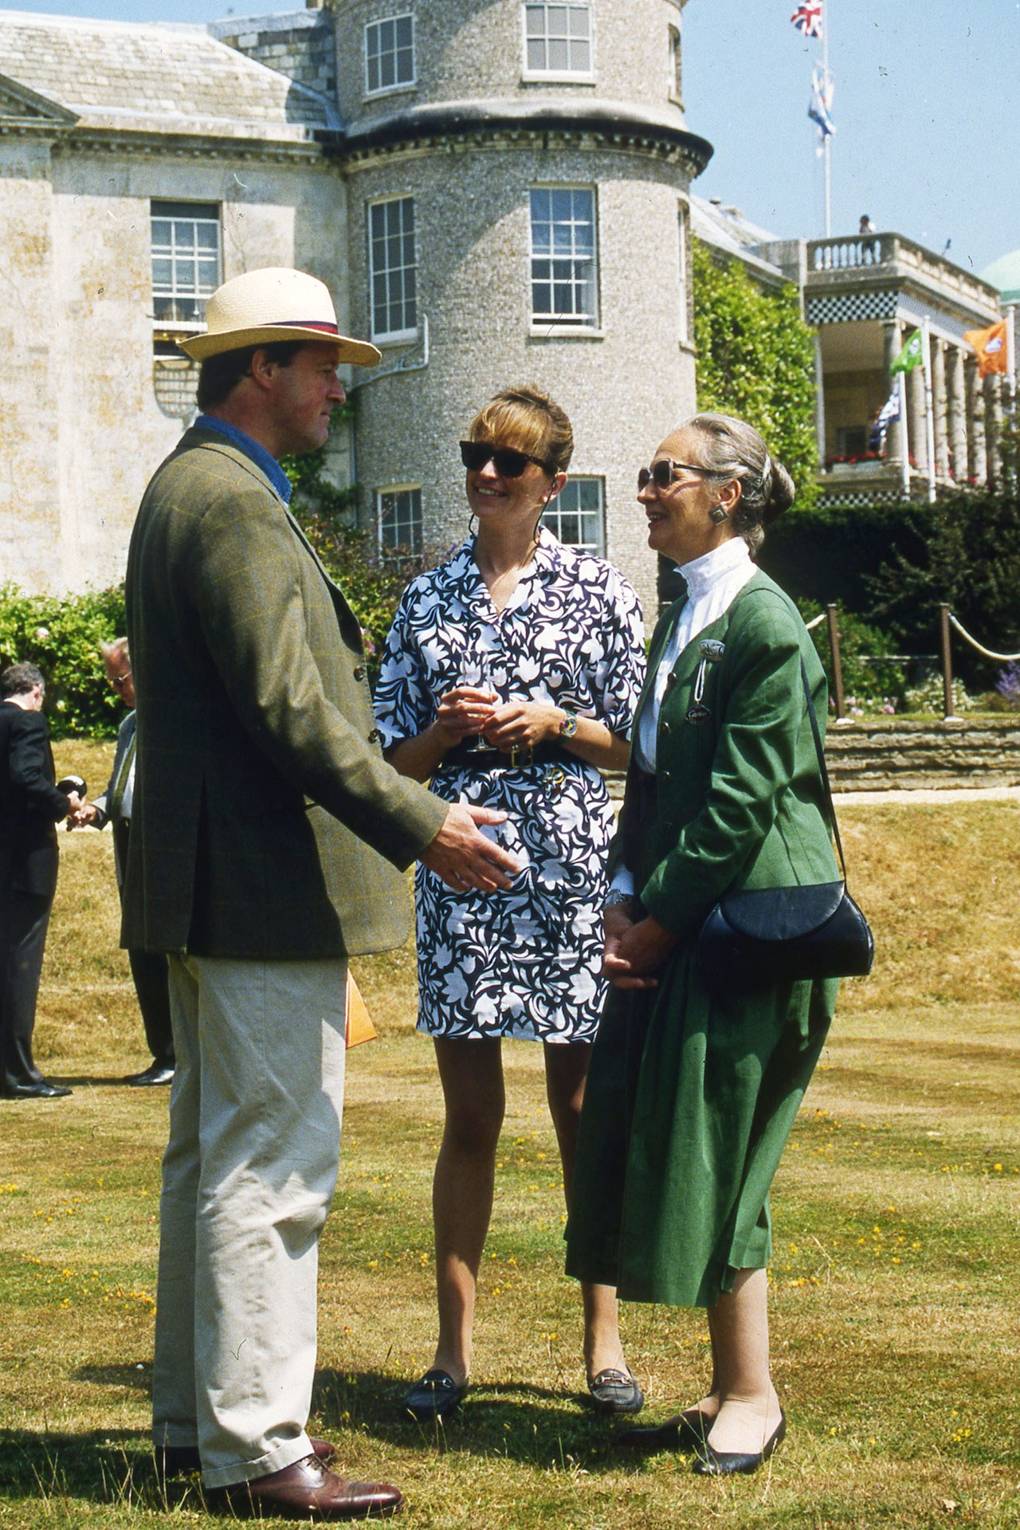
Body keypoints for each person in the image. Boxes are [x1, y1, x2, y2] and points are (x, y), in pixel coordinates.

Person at [125, 266, 519, 1522]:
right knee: (270, 1169)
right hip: (257, 888)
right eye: (323, 365)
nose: (338, 389)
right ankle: (257, 1447)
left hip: (210, 885)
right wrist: (425, 821)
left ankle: (199, 1429)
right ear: (262, 370)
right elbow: (292, 707)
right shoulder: (232, 502)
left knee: (212, 1161)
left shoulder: (194, 485)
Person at [565, 412, 839, 1477]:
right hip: (685, 925)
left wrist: (655, 922)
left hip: (749, 936)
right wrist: (626, 895)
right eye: (642, 474)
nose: (643, 490)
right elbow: (651, 781)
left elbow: (738, 804)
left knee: (732, 1149)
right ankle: (731, 1383)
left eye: (662, 474)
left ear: (728, 494)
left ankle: (754, 1395)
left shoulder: (764, 626)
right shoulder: (683, 615)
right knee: (702, 1146)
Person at [374, 386, 647, 1421]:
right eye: (475, 455)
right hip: (459, 865)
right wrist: (445, 733)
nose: (487, 474)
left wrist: (555, 721)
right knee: (471, 1118)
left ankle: (603, 1346)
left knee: (580, 1110)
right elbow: (385, 764)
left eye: (512, 463)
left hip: (573, 868)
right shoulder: (427, 598)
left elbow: (638, 745)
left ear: (553, 485)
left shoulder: (598, 591)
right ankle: (450, 1353)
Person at [72, 638, 175, 1085]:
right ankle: (165, 1054)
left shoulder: (174, 718)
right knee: (143, 951)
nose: (116, 688)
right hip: (131, 845)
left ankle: (182, 1055)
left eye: (121, 678)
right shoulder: (131, 725)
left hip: (165, 845)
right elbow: (121, 787)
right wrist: (96, 808)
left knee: (171, 953)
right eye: (112, 679)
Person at [0, 662, 81, 1100]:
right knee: (20, 967)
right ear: (34, 691)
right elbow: (27, 776)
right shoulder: (29, 721)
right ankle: (18, 1073)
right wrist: (64, 804)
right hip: (27, 862)